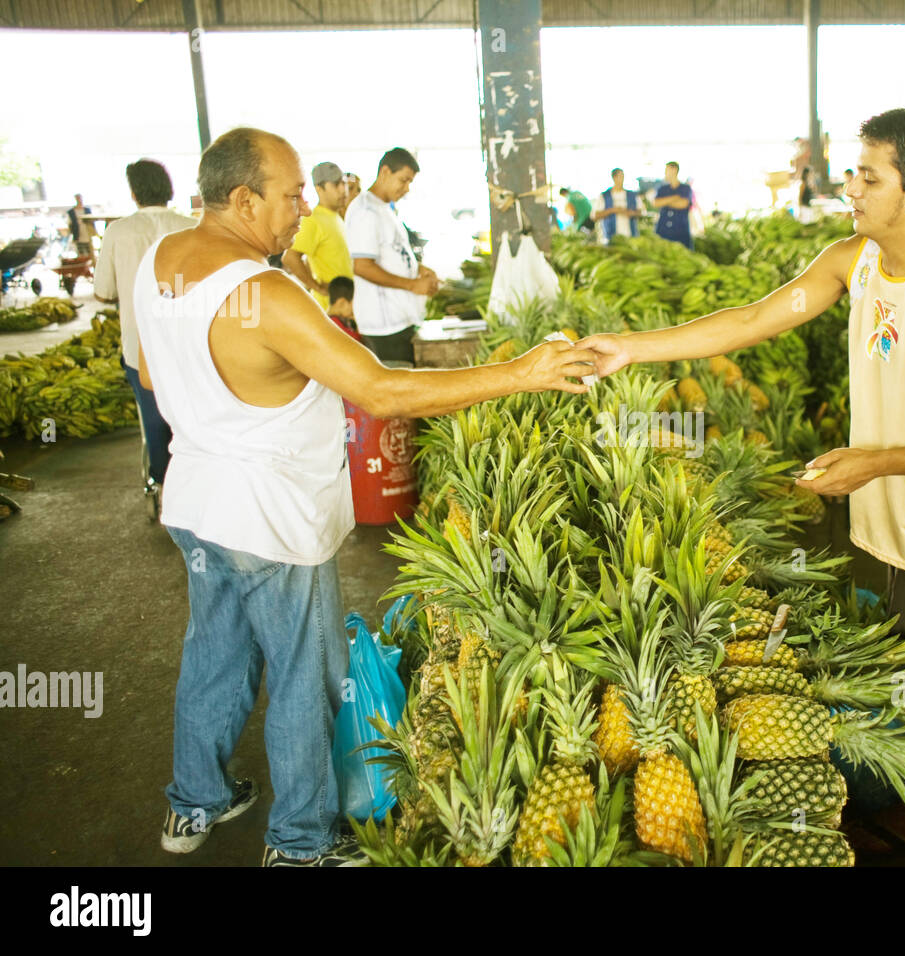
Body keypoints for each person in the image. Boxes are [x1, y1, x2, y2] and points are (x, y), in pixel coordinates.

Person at [579, 107, 905, 851]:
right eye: (854, 170)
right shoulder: (855, 259)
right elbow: (753, 318)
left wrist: (876, 460)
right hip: (883, 502)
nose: (849, 186)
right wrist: (631, 348)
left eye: (869, 175)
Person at [134, 127, 595, 867]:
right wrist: (523, 372)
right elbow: (382, 389)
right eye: (289, 197)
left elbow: (154, 379)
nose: (304, 212)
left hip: (195, 506)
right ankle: (302, 842)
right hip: (272, 517)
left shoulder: (161, 263)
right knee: (301, 678)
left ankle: (195, 804)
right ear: (245, 198)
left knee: (214, 657)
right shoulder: (266, 292)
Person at [92, 160, 197, 492]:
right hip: (190, 341)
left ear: (134, 192)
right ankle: (199, 480)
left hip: (140, 344)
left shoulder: (118, 231)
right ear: (168, 189)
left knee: (153, 416)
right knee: (193, 412)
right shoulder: (191, 227)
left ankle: (164, 484)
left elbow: (103, 291)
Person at [345, 147, 438, 364]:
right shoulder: (365, 211)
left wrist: (419, 269)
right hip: (384, 326)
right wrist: (412, 285)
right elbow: (362, 266)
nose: (406, 188)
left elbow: (393, 252)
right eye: (403, 180)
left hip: (401, 318)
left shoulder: (385, 208)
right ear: (385, 172)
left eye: (410, 182)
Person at [282, 161, 352, 311]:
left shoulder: (337, 216)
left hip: (347, 307)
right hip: (331, 309)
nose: (343, 190)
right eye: (336, 184)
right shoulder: (312, 219)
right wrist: (316, 287)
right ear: (319, 189)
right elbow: (290, 257)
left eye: (344, 183)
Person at [591, 168, 640, 244]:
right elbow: (594, 216)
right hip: (609, 238)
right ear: (614, 178)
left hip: (631, 237)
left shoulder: (632, 195)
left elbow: (641, 212)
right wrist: (613, 210)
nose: (621, 179)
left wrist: (630, 213)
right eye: (619, 176)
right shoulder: (604, 196)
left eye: (622, 176)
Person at [653, 161, 694, 250]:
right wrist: (675, 197)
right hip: (663, 230)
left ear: (674, 170)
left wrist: (665, 201)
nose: (665, 173)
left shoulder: (686, 188)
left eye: (666, 170)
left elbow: (683, 204)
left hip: (680, 231)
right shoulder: (662, 188)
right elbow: (656, 203)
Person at [68, 193, 98, 263]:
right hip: (78, 236)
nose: (79, 200)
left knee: (90, 253)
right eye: (78, 198)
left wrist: (94, 232)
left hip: (88, 235)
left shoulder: (87, 210)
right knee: (81, 254)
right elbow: (70, 224)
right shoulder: (71, 212)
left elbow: (92, 222)